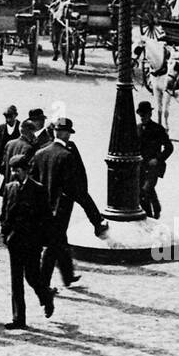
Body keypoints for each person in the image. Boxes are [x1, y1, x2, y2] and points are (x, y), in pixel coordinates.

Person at [33, 117, 109, 290]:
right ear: (66, 133)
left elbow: (33, 182)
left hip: (44, 207)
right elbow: (75, 188)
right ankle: (43, 285)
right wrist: (95, 217)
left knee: (60, 241)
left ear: (54, 132)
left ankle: (67, 276)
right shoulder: (66, 155)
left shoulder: (40, 154)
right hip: (61, 208)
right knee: (53, 245)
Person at [0, 156, 55, 329]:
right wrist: (5, 234)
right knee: (16, 281)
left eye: (18, 170)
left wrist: (43, 239)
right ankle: (19, 319)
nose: (15, 173)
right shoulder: (9, 188)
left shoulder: (38, 189)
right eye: (13, 170)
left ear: (27, 170)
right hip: (14, 241)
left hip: (32, 242)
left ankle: (46, 296)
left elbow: (46, 217)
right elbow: (4, 214)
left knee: (31, 276)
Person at [136, 102, 173, 220]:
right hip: (141, 167)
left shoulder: (158, 129)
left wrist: (158, 159)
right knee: (144, 190)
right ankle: (156, 207)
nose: (142, 117)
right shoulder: (137, 128)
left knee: (145, 191)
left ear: (150, 114)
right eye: (141, 114)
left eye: (145, 114)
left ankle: (149, 217)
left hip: (153, 167)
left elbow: (169, 147)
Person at [0, 105, 21, 193]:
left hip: (18, 167)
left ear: (16, 115)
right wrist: (1, 164)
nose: (8, 119)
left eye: (10, 116)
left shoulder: (21, 128)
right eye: (6, 116)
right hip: (4, 168)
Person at [2, 119, 40, 187]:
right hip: (21, 185)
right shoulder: (29, 148)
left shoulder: (9, 144)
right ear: (30, 132)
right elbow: (29, 169)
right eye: (33, 132)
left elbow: (3, 165)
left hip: (8, 185)